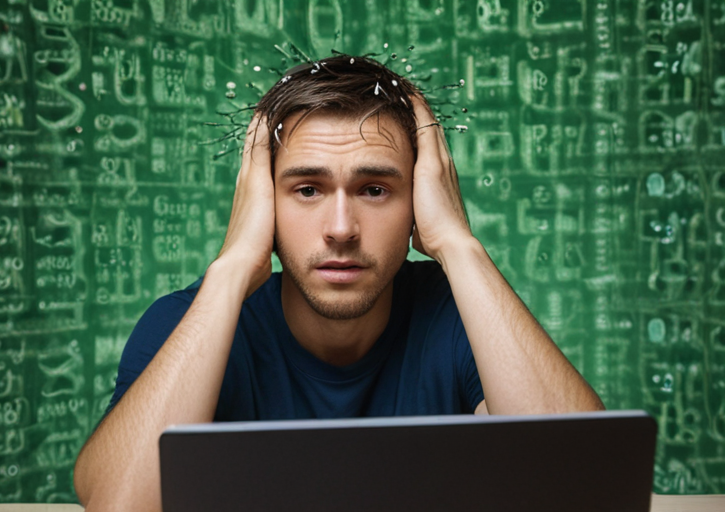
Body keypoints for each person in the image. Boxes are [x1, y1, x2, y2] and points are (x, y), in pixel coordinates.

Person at [73, 55, 604, 511]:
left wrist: (458, 244)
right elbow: (120, 505)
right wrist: (233, 266)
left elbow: (588, 490)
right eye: (307, 189)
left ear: (419, 198)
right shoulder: (189, 323)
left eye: (375, 189)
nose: (342, 229)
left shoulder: (463, 316)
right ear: (264, 202)